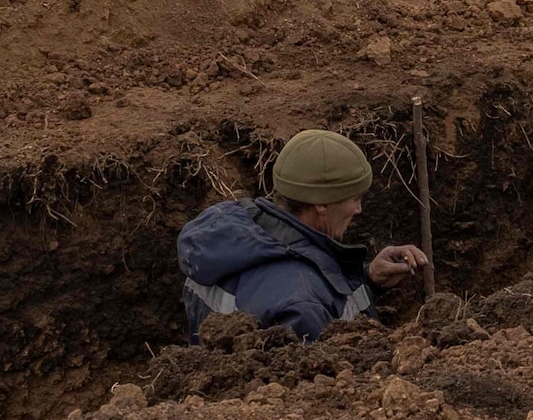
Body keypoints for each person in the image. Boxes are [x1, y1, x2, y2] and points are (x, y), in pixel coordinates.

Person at [177, 129, 430, 342]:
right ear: (321, 204)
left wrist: (369, 280)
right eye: (355, 198)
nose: (358, 209)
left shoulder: (232, 237)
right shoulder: (301, 307)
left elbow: (261, 292)